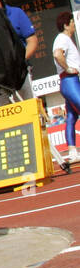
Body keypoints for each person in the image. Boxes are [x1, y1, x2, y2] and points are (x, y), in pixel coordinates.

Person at [51, 11, 80, 168]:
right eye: (72, 22)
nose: (74, 25)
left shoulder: (66, 40)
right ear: (66, 25)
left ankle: (72, 153)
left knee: (71, 117)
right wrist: (68, 69)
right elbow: (57, 54)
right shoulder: (62, 38)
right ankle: (72, 152)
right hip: (70, 81)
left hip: (70, 82)